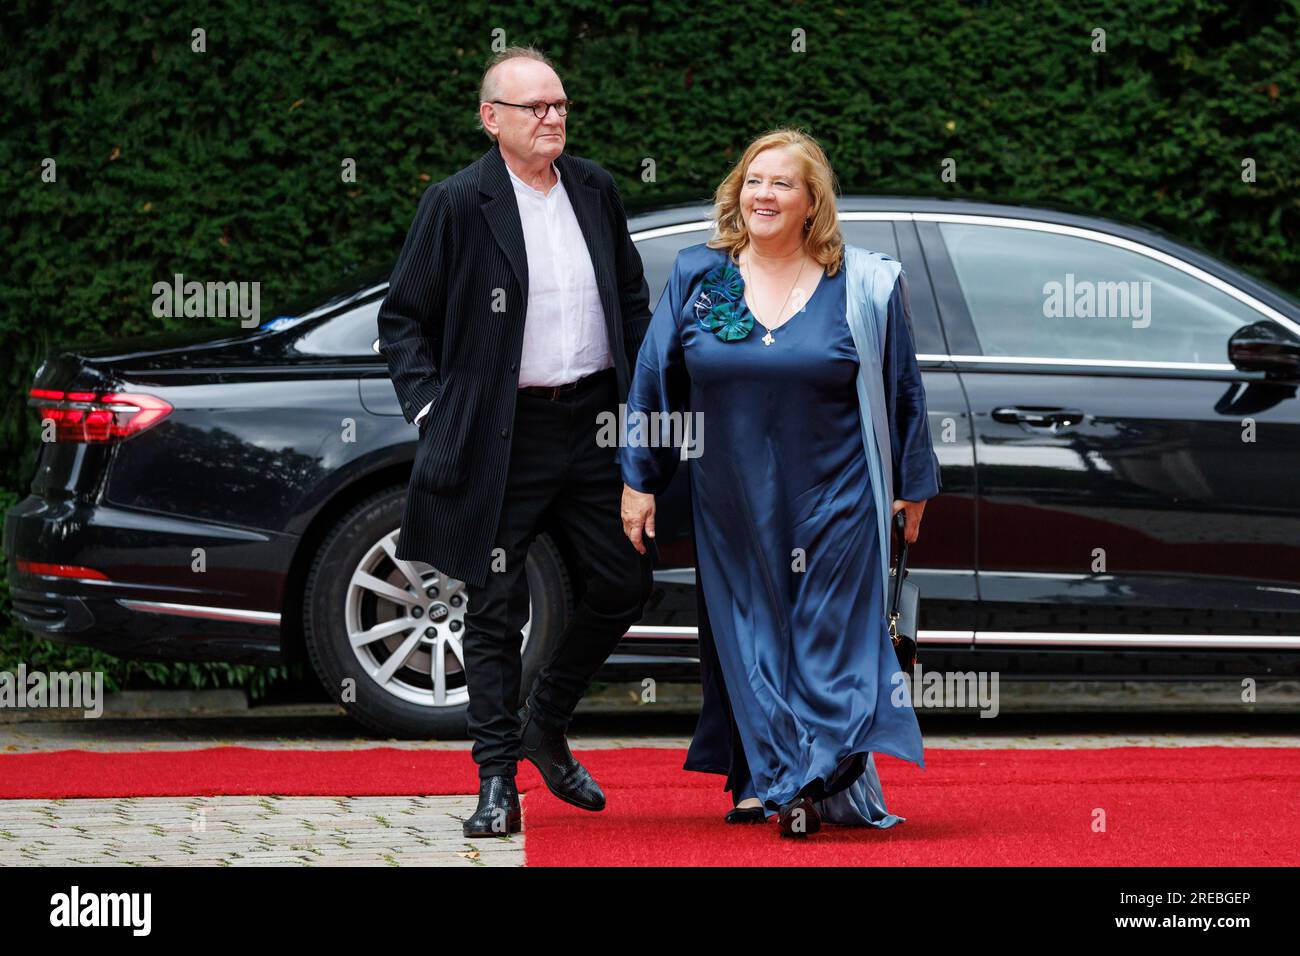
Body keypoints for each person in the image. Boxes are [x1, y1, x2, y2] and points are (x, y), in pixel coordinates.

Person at [619, 128, 941, 838]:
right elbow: (653, 380)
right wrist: (640, 478)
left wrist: (913, 483)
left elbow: (903, 391)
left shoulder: (862, 282)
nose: (764, 194)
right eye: (754, 180)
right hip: (731, 502)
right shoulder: (698, 274)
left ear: (811, 201)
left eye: (782, 184)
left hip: (837, 496)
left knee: (828, 642)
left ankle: (808, 776)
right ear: (738, 191)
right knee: (752, 642)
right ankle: (780, 776)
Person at [377, 46, 654, 838]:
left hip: (595, 423)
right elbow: (403, 318)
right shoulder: (459, 202)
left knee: (626, 581)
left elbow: (629, 299)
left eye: (560, 105)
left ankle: (546, 718)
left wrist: (641, 401)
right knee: (494, 607)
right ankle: (496, 779)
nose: (552, 119)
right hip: (505, 429)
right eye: (534, 107)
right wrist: (433, 411)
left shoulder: (595, 189)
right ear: (491, 118)